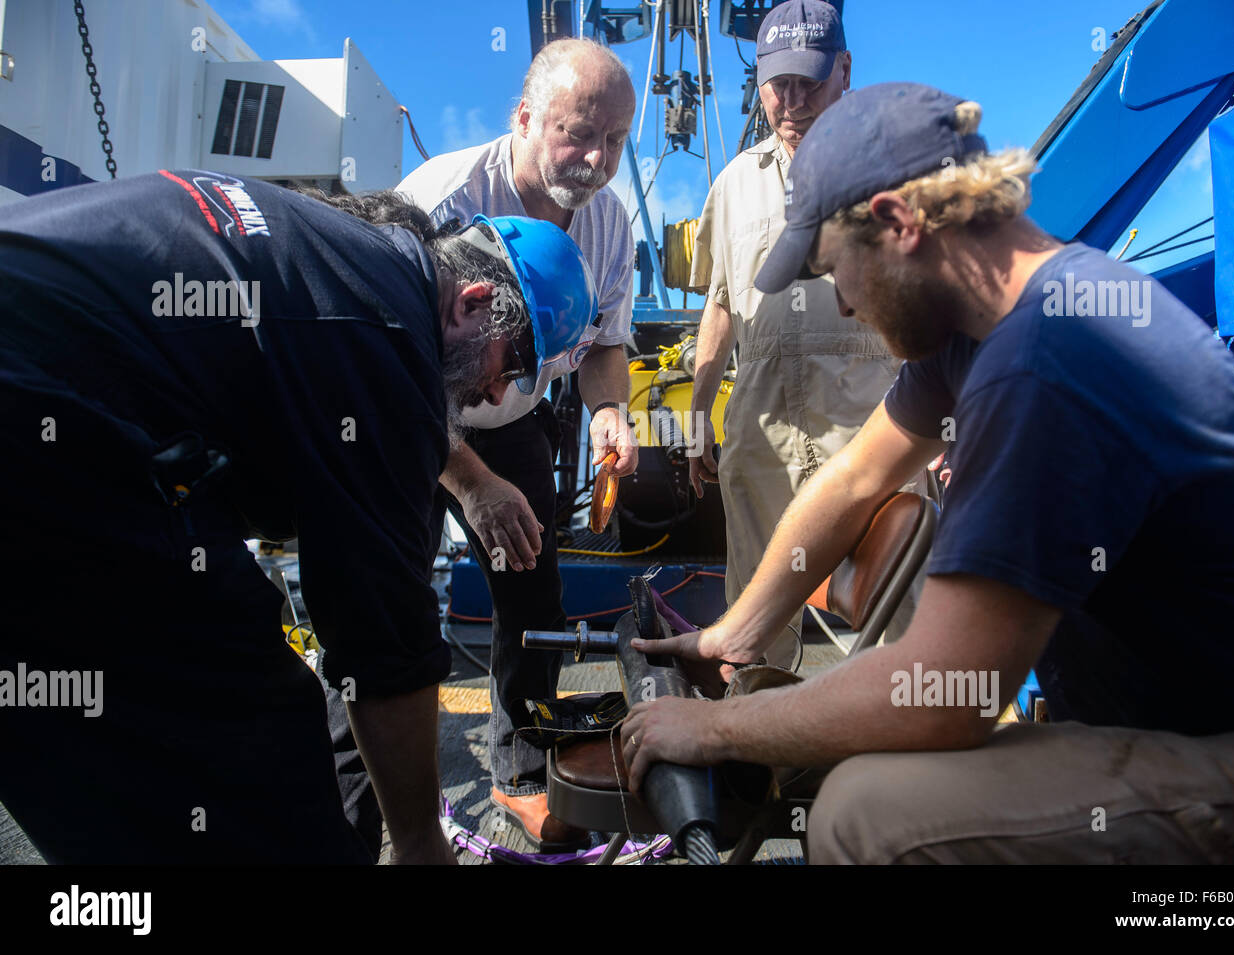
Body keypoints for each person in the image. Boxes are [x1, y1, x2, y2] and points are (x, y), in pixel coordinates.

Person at [619, 83, 1234, 863]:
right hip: (1172, 719)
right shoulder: (981, 332)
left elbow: (948, 692)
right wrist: (732, 638)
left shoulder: (1051, 351)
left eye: (834, 268)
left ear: (897, 223)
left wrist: (715, 727)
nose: (840, 304)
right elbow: (850, 480)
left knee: (866, 814)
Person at [0, 170, 595, 864]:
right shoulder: (386, 336)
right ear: (473, 300)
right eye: (513, 363)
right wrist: (419, 841)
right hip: (44, 434)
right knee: (266, 759)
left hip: (50, 398)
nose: (496, 390)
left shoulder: (343, 255)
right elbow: (380, 637)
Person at [397, 38, 639, 849]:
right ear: (525, 117)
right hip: (402, 418)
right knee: (384, 611)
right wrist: (466, 481)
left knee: (534, 598)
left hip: (513, 425)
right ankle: (358, 811)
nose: (597, 158)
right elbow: (382, 369)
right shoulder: (441, 197)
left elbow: (606, 341)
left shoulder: (611, 222)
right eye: (579, 133)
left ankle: (522, 774)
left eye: (614, 140)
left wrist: (610, 412)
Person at [688, 0, 897, 666]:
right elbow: (720, 305)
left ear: (845, 69)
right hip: (760, 430)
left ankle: (895, 765)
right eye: (778, 84)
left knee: (893, 611)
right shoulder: (730, 187)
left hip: (868, 427)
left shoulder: (897, 172)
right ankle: (758, 761)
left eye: (809, 81)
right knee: (752, 622)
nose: (792, 101)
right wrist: (698, 410)